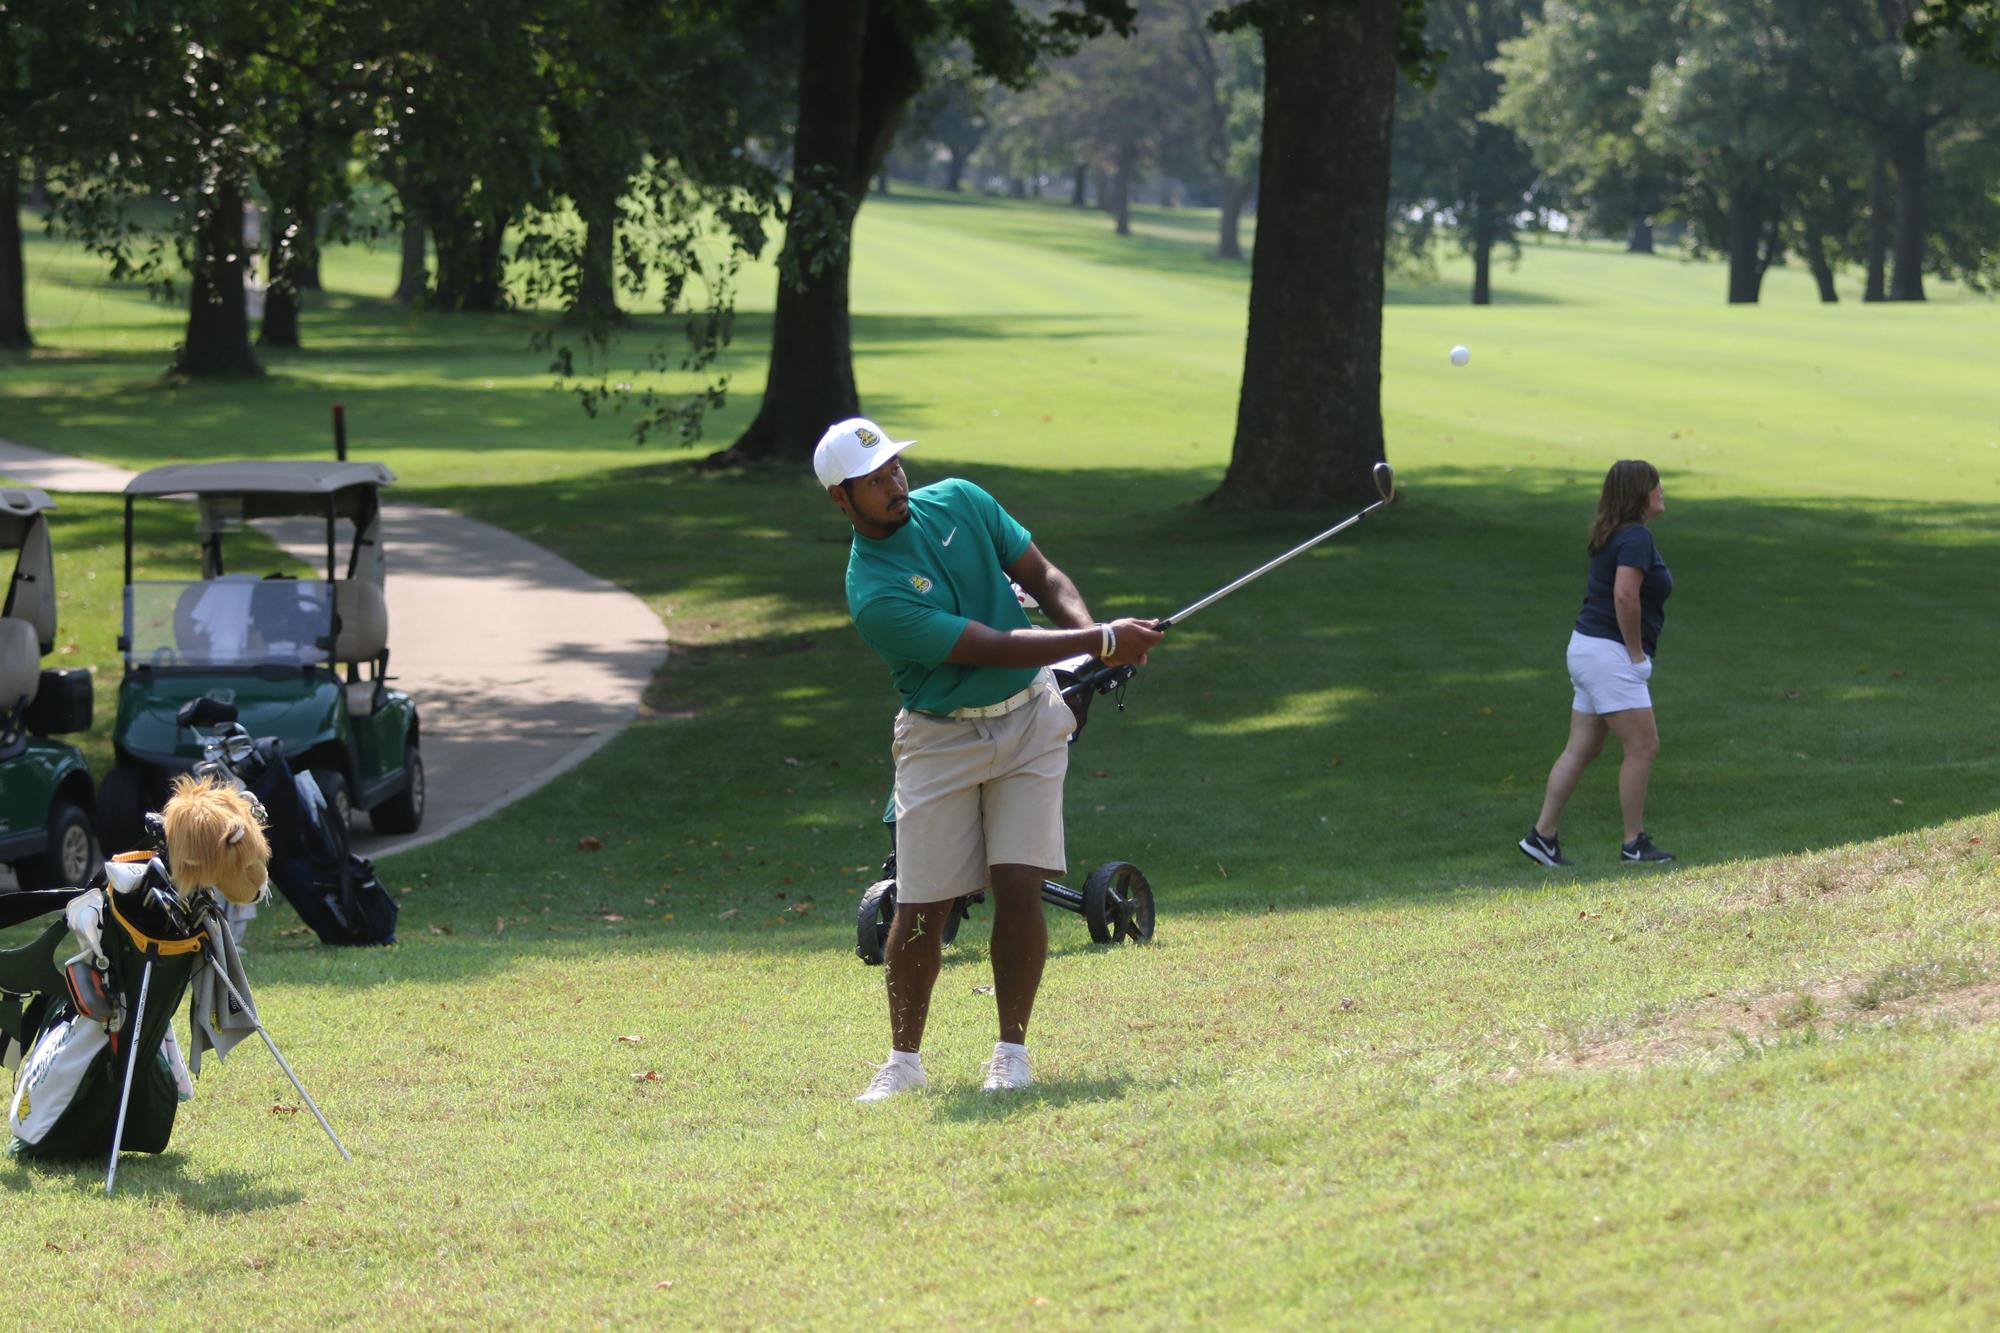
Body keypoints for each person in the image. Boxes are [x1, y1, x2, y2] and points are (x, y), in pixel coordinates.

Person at [817, 417, 1162, 1102]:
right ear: (841, 498)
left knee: (1018, 880)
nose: (894, 485)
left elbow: (1043, 574)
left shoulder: (962, 501)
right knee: (922, 904)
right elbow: (991, 645)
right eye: (874, 482)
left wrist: (1089, 641)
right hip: (939, 739)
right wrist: (1100, 640)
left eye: (894, 469)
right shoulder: (873, 592)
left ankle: (1011, 1054)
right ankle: (904, 1062)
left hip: (1030, 718)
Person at [1520, 459, 1676, 867]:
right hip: (1610, 654)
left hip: (1587, 648)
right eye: (1655, 484)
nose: (1661, 490)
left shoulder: (1614, 533)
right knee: (1643, 745)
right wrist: (1635, 654)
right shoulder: (1636, 537)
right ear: (1639, 493)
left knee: (1583, 748)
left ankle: (1542, 836)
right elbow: (1625, 596)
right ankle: (1634, 843)